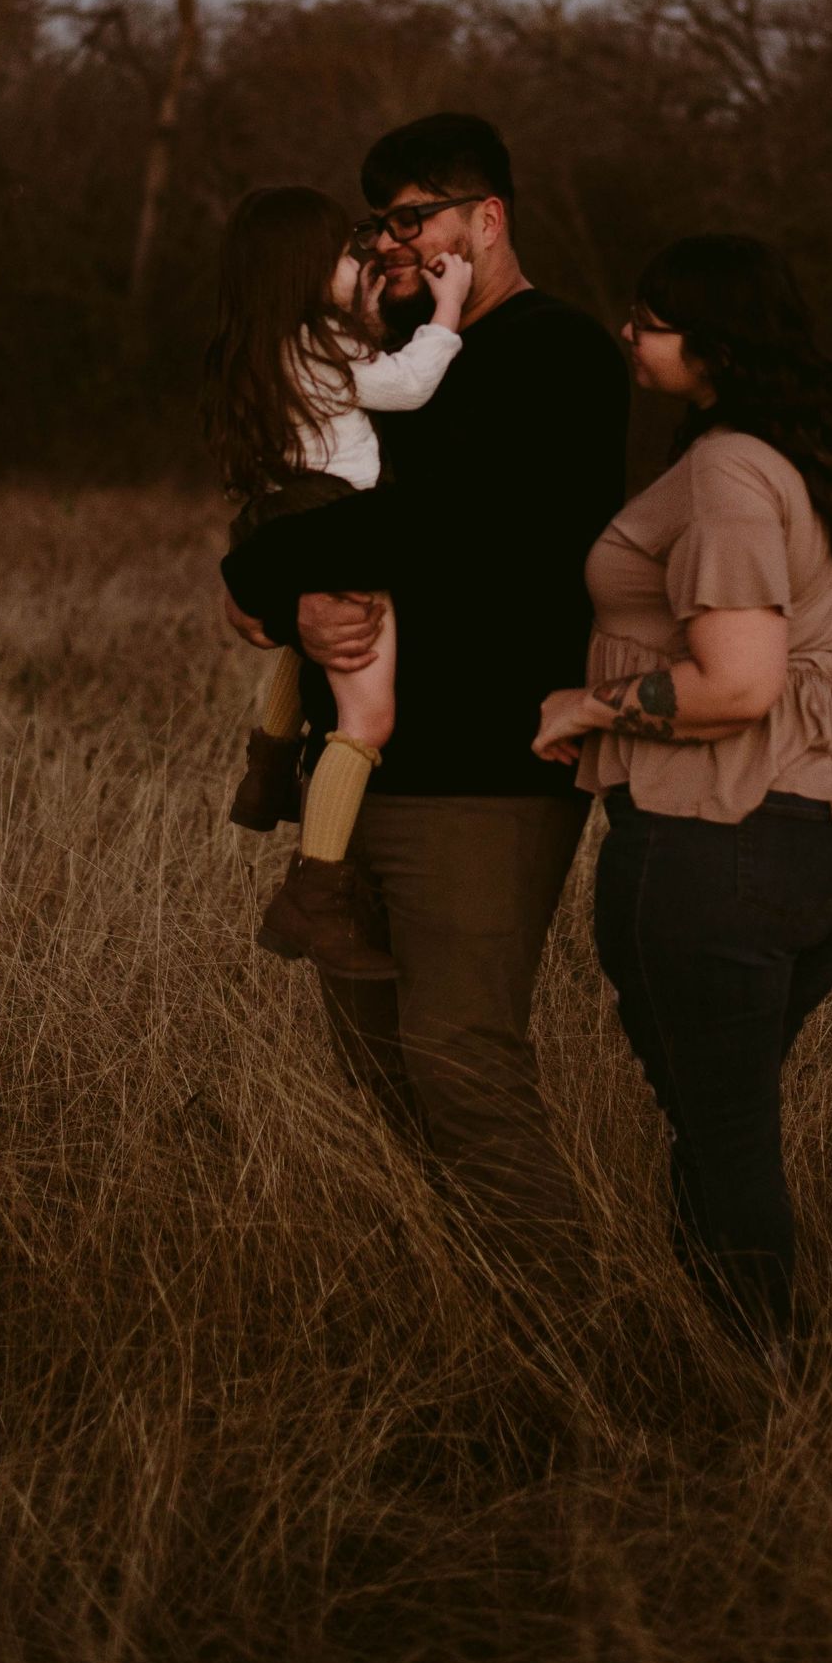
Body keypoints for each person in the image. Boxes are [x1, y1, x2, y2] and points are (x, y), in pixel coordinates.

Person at [221, 114, 629, 1263]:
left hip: (483, 774)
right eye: (380, 223)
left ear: (485, 218)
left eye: (413, 217)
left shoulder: (555, 353)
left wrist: (261, 570)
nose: (392, 242)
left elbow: (441, 526)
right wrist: (274, 585)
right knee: (378, 1066)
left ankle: (573, 1348)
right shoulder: (383, 346)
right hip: (359, 770)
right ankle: (461, 1319)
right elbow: (297, 489)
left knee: (462, 1061)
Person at [533, 234, 832, 1352]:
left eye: (652, 318)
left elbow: (736, 683)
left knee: (726, 1129)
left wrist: (586, 708)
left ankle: (754, 1382)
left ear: (716, 344)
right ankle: (732, 1361)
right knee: (721, 1118)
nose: (630, 334)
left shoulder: (730, 468)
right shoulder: (789, 459)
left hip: (730, 829)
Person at [203, 185, 473, 975]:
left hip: (284, 516)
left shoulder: (261, 345)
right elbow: (407, 386)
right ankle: (315, 893)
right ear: (304, 270)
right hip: (336, 522)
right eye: (345, 255)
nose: (359, 263)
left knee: (316, 640)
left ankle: (269, 765)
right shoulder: (323, 340)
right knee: (367, 720)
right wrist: (446, 310)